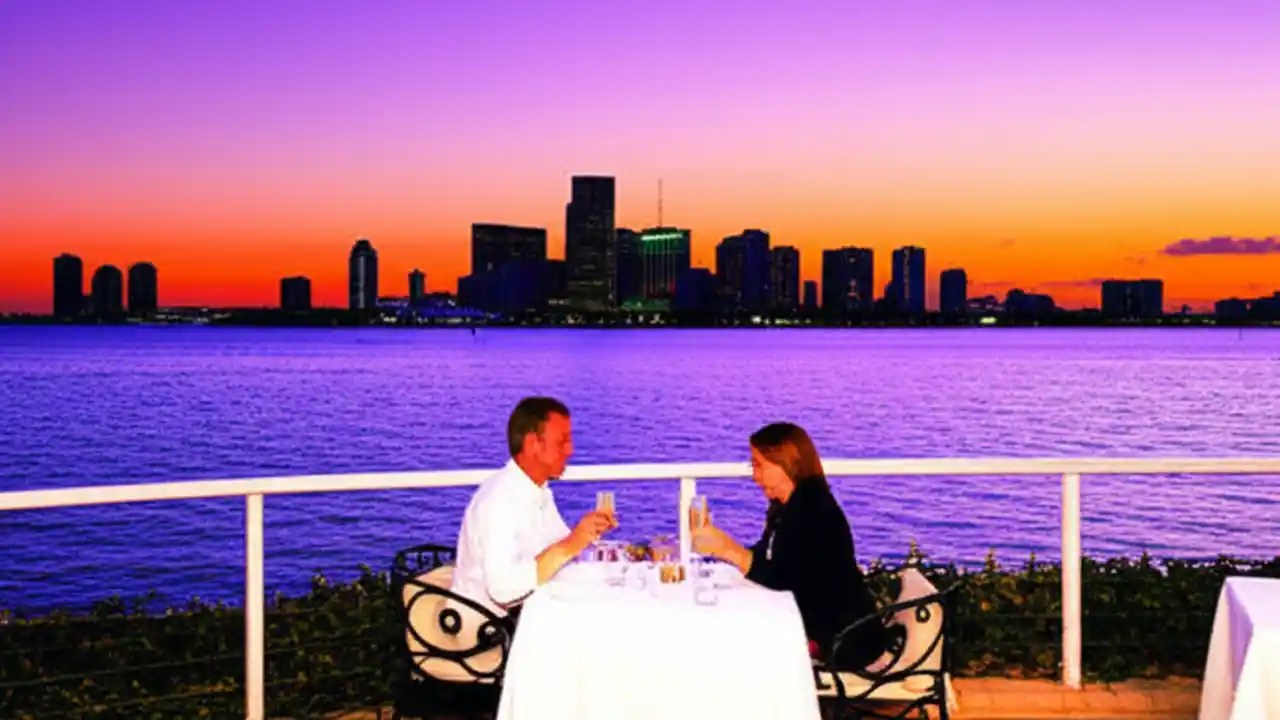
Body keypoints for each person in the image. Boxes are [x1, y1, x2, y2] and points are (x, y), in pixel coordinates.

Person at [691, 422, 887, 669]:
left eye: (759, 465)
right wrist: (726, 549)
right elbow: (769, 561)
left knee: (733, 644)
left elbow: (786, 582)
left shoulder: (814, 512)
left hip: (840, 639)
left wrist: (729, 550)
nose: (754, 476)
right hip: (816, 622)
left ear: (787, 464)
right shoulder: (787, 507)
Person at [451, 397, 615, 619]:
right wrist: (570, 544)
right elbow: (502, 590)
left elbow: (558, 549)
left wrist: (584, 536)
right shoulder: (499, 501)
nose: (570, 450)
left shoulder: (536, 491)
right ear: (532, 445)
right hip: (487, 627)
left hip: (523, 613)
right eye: (562, 441)